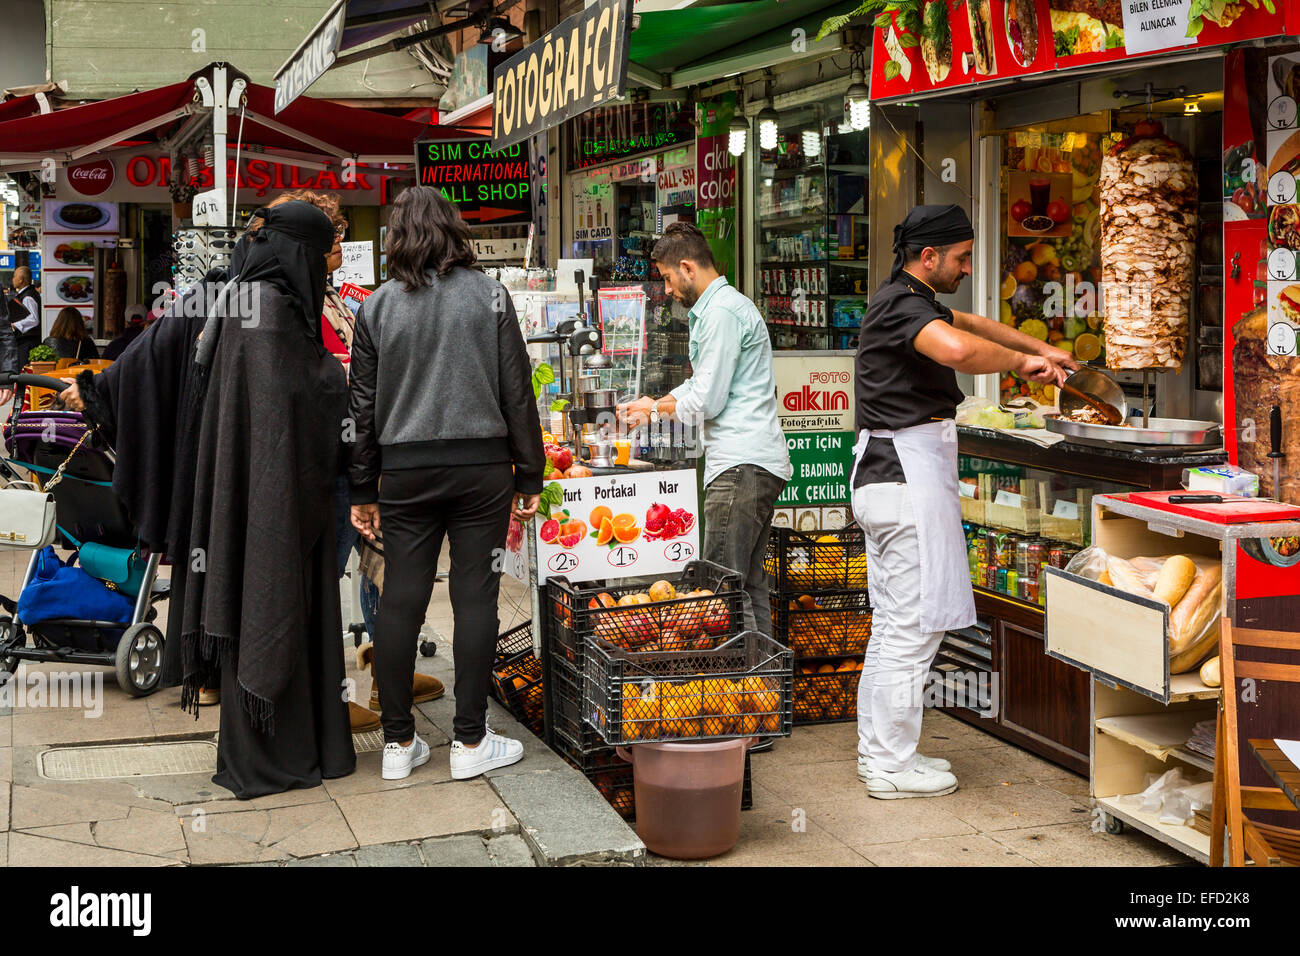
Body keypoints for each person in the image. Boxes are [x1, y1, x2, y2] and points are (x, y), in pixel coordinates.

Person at [851, 204, 1074, 800]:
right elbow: (956, 349)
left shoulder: (908, 297)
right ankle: (889, 765)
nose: (969, 267)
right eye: (962, 258)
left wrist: (1047, 352)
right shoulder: (905, 306)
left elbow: (974, 325)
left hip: (895, 478)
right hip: (903, 481)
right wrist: (1026, 365)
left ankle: (882, 753)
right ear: (930, 257)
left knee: (895, 627)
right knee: (910, 629)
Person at [348, 185, 546, 781]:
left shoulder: (377, 306)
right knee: (474, 595)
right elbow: (518, 391)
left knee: (402, 598)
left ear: (397, 237)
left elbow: (361, 408)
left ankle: (397, 744)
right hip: (480, 472)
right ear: (453, 231)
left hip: (403, 473)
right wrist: (529, 471)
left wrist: (362, 488)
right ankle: (468, 741)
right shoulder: (489, 296)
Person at [180, 199, 356, 798]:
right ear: (298, 254)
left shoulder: (241, 302)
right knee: (279, 602)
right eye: (319, 255)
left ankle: (288, 745)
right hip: (277, 505)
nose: (324, 269)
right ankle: (280, 755)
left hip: (256, 500)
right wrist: (341, 380)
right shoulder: (272, 315)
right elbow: (312, 396)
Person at [617, 222, 791, 638]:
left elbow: (706, 400)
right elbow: (700, 386)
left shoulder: (721, 313)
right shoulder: (721, 309)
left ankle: (745, 689)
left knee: (719, 592)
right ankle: (764, 689)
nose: (667, 290)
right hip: (751, 463)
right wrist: (653, 405)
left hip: (739, 466)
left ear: (687, 267)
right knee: (745, 585)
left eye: (666, 278)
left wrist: (657, 409)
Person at [11, 267, 41, 367]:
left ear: (21, 279)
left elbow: (34, 319)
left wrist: (15, 325)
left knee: (24, 372)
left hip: (28, 343)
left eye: (14, 276)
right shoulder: (25, 294)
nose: (13, 279)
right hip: (27, 342)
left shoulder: (28, 297)